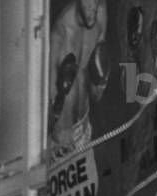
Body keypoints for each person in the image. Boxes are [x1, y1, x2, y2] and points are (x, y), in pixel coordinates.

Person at [48, 0, 109, 156]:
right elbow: (45, 105)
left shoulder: (101, 12)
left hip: (85, 127)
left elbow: (96, 94)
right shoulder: (60, 33)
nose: (92, 7)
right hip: (62, 138)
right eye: (88, 4)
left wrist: (100, 83)